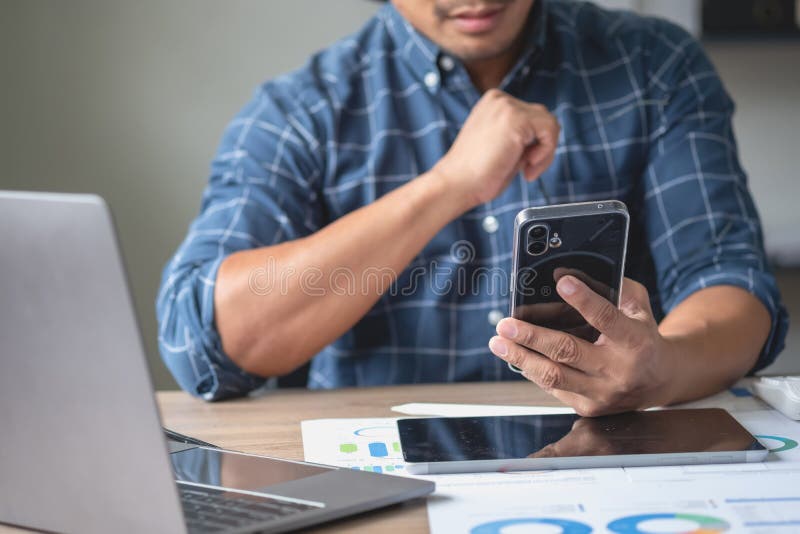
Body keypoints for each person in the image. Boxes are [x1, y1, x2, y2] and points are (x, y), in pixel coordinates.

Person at [157, 0, 788, 414]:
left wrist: (662, 366)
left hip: (616, 453)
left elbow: (729, 279)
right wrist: (449, 184)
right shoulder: (303, 111)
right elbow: (201, 342)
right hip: (380, 470)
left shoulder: (655, 65)